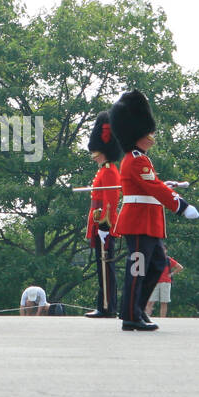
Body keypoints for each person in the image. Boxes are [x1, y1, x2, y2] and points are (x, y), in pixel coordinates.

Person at [109, 89, 199, 331]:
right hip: (138, 223)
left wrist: (163, 186)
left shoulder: (140, 159)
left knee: (159, 265)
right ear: (137, 134)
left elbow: (152, 185)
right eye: (148, 133)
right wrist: (181, 205)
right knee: (137, 270)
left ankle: (136, 309)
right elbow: (154, 187)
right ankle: (130, 315)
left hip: (148, 222)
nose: (152, 137)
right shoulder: (136, 159)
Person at [84, 110, 123, 319]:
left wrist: (104, 225)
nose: (94, 155)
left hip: (104, 224)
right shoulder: (104, 169)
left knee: (106, 266)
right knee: (102, 266)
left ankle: (107, 306)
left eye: (97, 152)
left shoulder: (108, 171)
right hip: (99, 223)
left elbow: (110, 200)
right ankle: (105, 304)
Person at [146, 255, 183, 319]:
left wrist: (172, 274)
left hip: (165, 282)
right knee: (150, 301)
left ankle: (162, 319)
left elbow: (180, 267)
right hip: (155, 282)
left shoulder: (168, 259)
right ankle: (147, 317)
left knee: (164, 302)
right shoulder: (153, 258)